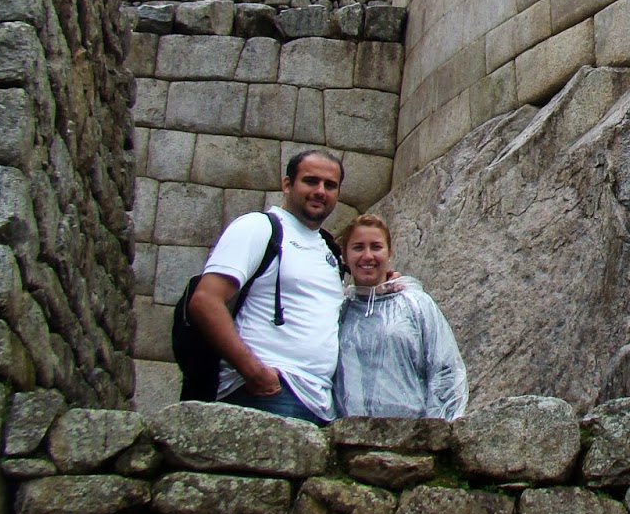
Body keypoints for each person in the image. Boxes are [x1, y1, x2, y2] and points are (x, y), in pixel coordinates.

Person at [186, 150, 347, 425]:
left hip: (321, 404)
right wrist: (254, 371)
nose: (320, 191)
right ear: (287, 185)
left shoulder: (329, 250)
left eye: (329, 185)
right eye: (311, 181)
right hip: (267, 392)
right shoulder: (259, 227)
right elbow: (205, 300)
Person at [334, 213, 467, 419]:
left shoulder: (417, 304)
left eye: (376, 247)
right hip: (349, 437)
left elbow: (445, 369)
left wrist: (437, 430)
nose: (368, 256)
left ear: (389, 253)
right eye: (358, 247)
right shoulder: (339, 311)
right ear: (345, 256)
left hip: (410, 436)